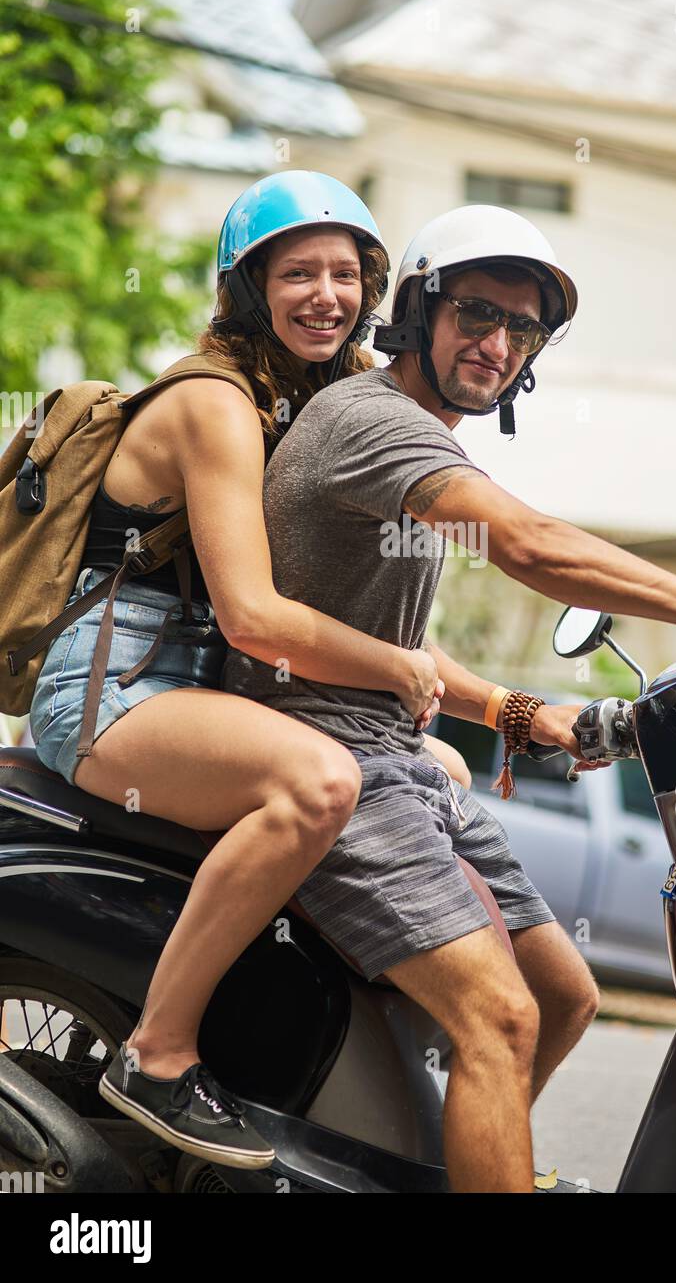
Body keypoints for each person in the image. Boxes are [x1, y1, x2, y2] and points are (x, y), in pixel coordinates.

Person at [221, 202, 676, 1192]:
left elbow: (400, 651)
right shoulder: (372, 420)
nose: (496, 343)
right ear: (416, 310)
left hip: (396, 758)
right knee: (501, 1019)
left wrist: (523, 713)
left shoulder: (407, 431)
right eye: (476, 312)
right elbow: (532, 545)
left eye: (520, 329)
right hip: (323, 751)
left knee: (563, 992)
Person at [27, 171, 444, 1171]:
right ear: (249, 288)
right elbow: (258, 619)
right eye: (297, 272)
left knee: (438, 779)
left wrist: (508, 708)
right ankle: (157, 1056)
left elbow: (332, 615)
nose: (327, 295)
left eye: (347, 274)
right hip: (112, 695)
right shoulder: (218, 402)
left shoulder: (311, 405)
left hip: (198, 692)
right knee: (319, 782)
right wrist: (397, 668)